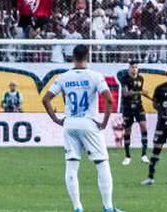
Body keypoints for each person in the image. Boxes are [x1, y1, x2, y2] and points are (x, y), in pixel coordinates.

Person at [41, 44, 121, 212]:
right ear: (88, 57)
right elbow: (109, 99)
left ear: (72, 57)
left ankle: (77, 208)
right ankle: (108, 208)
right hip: (88, 123)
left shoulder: (63, 77)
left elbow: (46, 99)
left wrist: (56, 119)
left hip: (70, 123)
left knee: (71, 165)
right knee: (102, 163)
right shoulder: (95, 76)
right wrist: (105, 122)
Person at [116, 62, 149, 166]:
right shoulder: (125, 78)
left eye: (136, 67)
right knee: (127, 130)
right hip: (127, 107)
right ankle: (127, 156)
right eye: (132, 67)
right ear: (129, 68)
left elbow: (138, 91)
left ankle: (144, 155)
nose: (134, 69)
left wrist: (142, 92)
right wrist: (140, 92)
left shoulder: (140, 78)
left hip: (139, 106)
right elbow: (126, 93)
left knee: (143, 126)